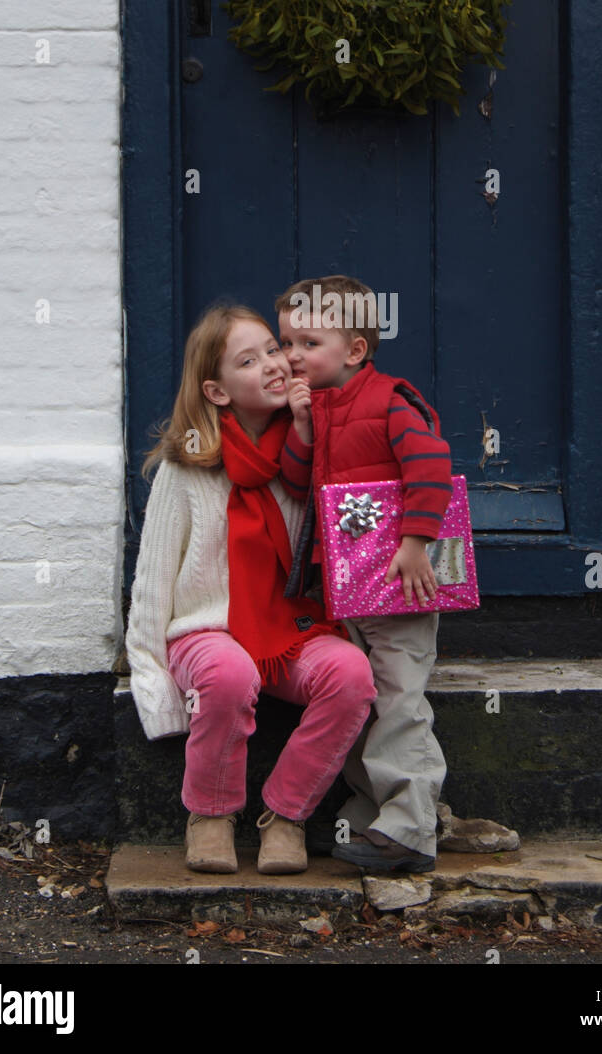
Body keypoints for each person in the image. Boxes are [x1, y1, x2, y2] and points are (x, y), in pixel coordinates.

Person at [125, 303, 376, 876]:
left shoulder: (310, 450)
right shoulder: (185, 468)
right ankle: (210, 814)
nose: (273, 364)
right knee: (229, 672)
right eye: (248, 359)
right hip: (208, 633)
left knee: (352, 674)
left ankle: (286, 815)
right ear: (216, 391)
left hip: (288, 628)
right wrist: (154, 688)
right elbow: (152, 586)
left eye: (272, 348)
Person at [276, 274, 453, 874]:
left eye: (308, 343)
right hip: (345, 588)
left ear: (354, 350)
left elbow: (430, 466)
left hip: (400, 584)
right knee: (363, 700)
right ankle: (375, 813)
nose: (292, 357)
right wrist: (301, 429)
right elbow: (300, 483)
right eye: (286, 344)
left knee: (401, 700)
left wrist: (416, 542)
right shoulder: (318, 409)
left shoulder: (389, 400)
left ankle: (410, 829)